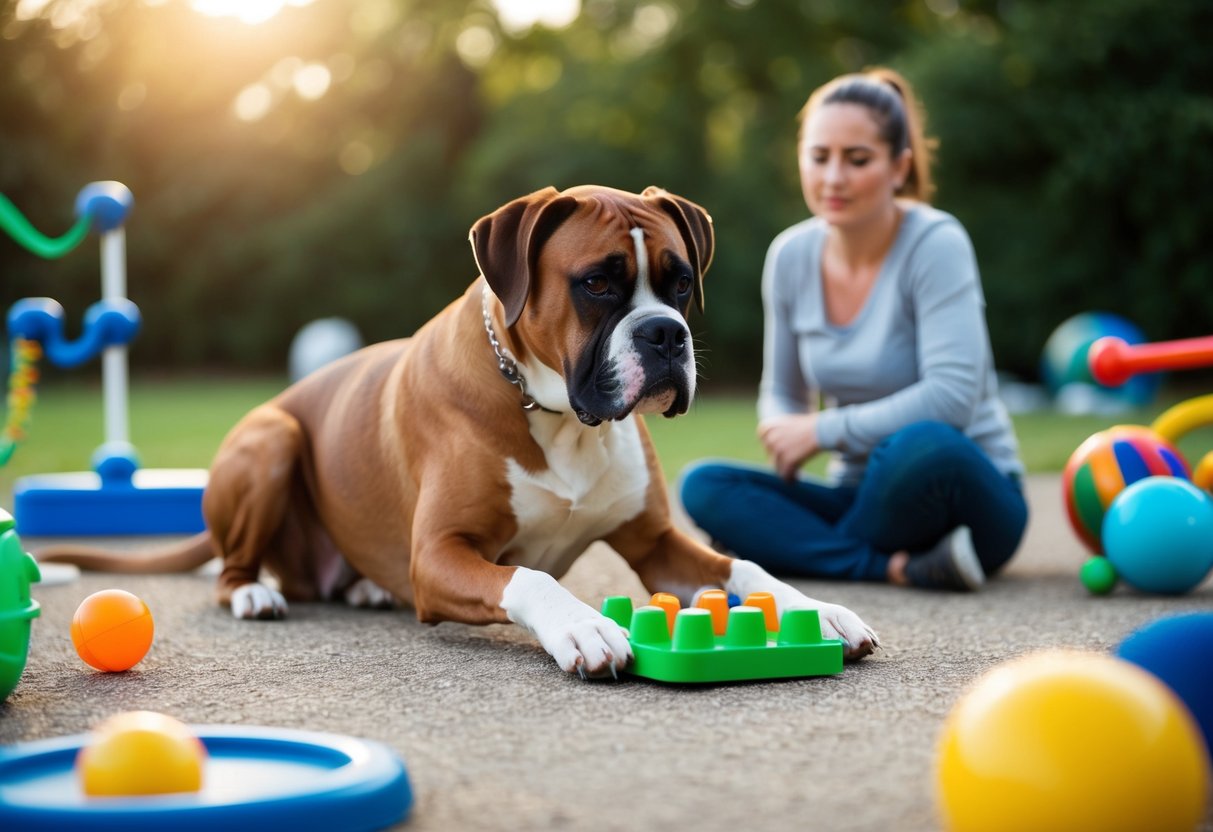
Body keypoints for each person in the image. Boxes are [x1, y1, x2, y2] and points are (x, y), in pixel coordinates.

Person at [679, 67, 1028, 592]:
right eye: (819, 157)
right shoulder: (790, 255)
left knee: (921, 446)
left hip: (961, 492)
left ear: (899, 167)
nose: (833, 177)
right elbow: (783, 391)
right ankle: (894, 567)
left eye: (857, 159)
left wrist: (819, 432)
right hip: (860, 495)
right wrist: (782, 429)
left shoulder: (937, 242)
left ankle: (797, 548)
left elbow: (953, 397)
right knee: (704, 485)